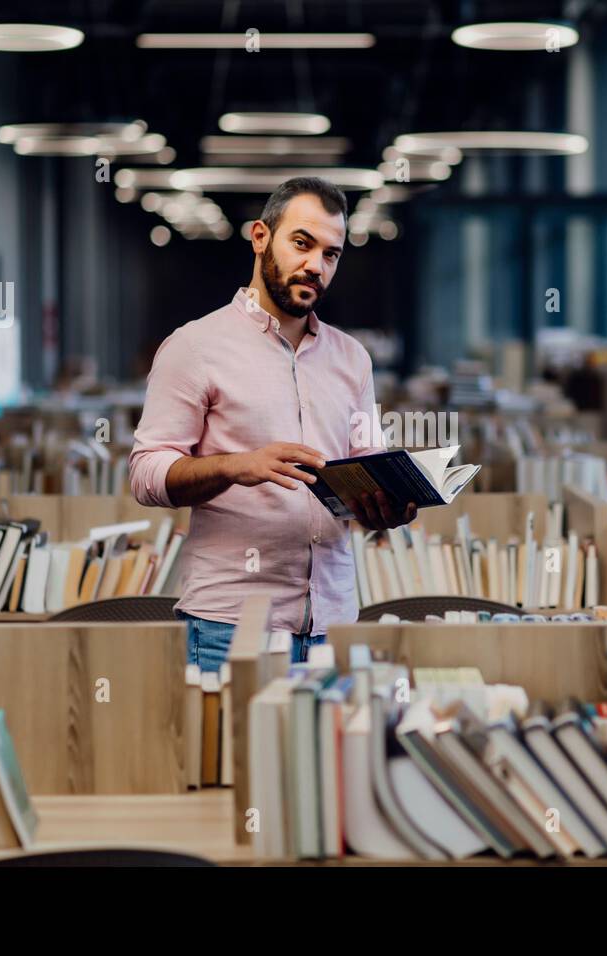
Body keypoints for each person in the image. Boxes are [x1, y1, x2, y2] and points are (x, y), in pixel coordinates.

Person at [129, 176, 416, 671]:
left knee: (334, 753)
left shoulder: (353, 359)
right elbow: (146, 475)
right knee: (232, 752)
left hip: (335, 624)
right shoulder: (193, 347)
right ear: (260, 237)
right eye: (302, 244)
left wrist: (384, 504)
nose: (315, 266)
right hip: (230, 626)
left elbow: (365, 461)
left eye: (331, 255)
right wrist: (238, 466)